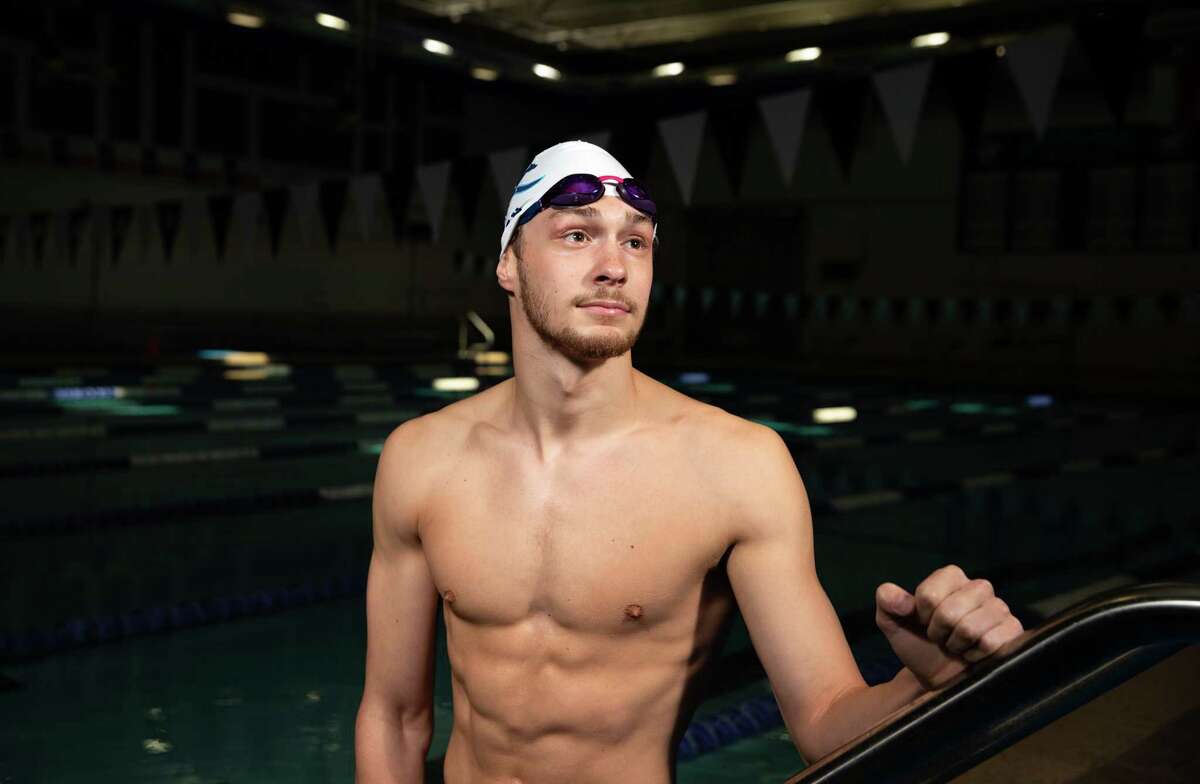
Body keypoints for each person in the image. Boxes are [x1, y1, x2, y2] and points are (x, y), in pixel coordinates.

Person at [354, 141, 1024, 783]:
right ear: (508, 263)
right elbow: (394, 718)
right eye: (577, 235)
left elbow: (824, 725)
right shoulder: (422, 459)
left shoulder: (738, 467)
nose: (614, 264)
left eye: (636, 240)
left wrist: (927, 688)